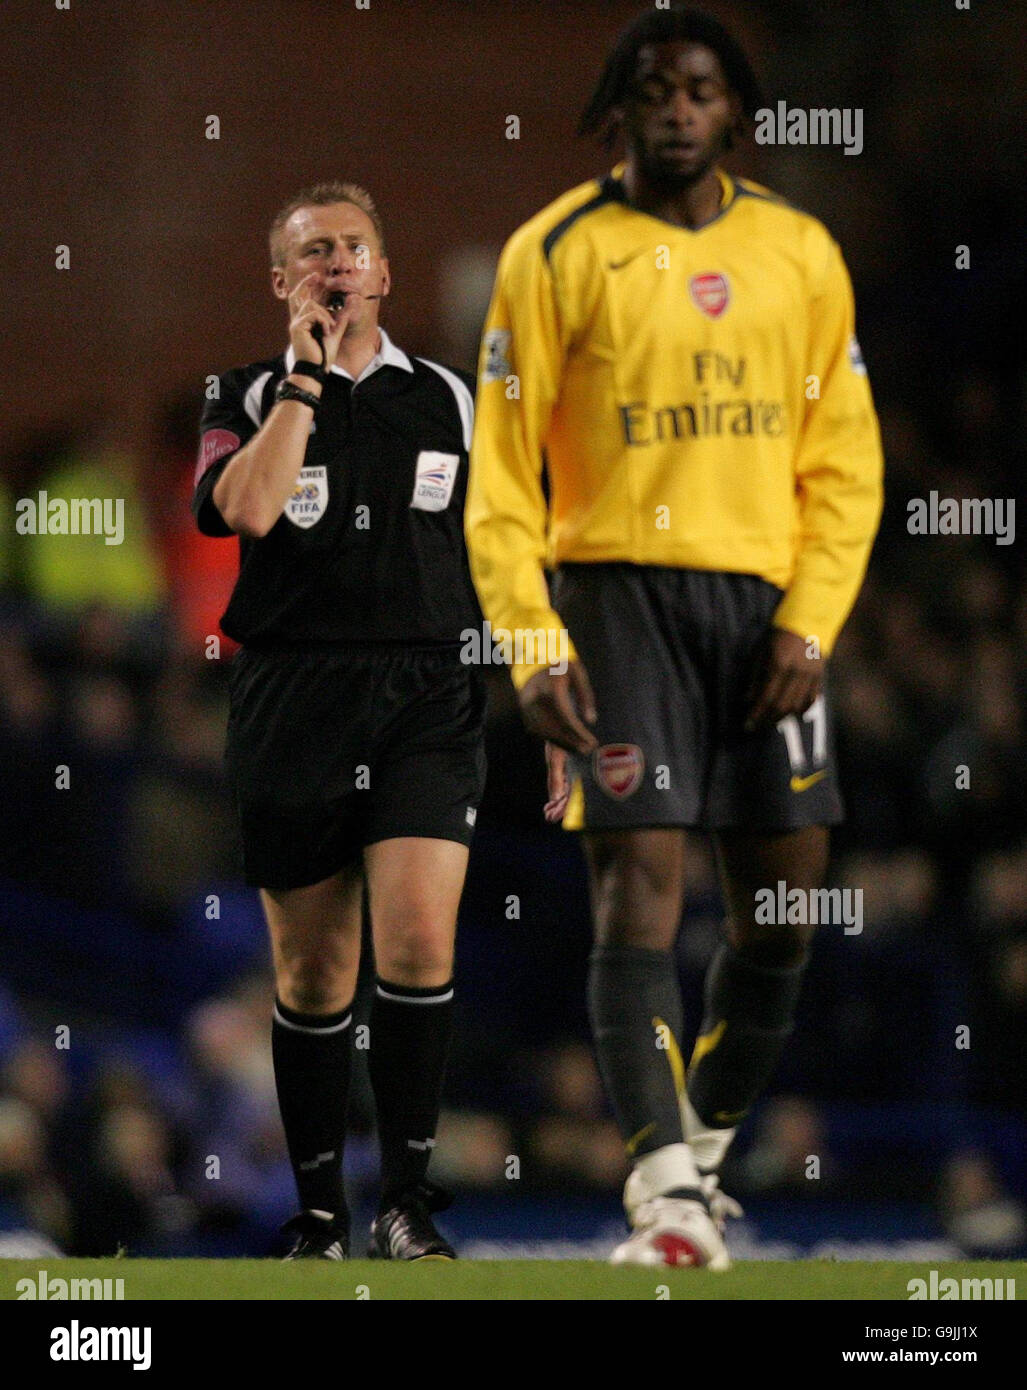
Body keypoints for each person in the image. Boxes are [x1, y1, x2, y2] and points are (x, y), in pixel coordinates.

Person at [466, 7, 883, 1268]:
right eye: (652, 89)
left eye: (701, 89)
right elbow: (502, 475)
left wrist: (812, 620)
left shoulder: (799, 252)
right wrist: (531, 642)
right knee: (637, 888)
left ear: (736, 110)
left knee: (782, 913)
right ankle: (661, 1192)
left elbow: (844, 459)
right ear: (617, 108)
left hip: (765, 609)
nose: (678, 108)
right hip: (616, 596)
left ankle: (695, 1158)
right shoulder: (553, 251)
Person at [192, 181, 484, 1260]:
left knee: (417, 940)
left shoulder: (450, 398)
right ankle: (320, 1217)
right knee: (315, 973)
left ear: (385, 272)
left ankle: (406, 1203)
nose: (337, 264)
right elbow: (248, 507)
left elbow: (502, 551)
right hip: (293, 696)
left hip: (425, 694)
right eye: (314, 251)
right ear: (283, 282)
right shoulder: (238, 392)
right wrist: (302, 384)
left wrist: (548, 686)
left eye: (354, 246)